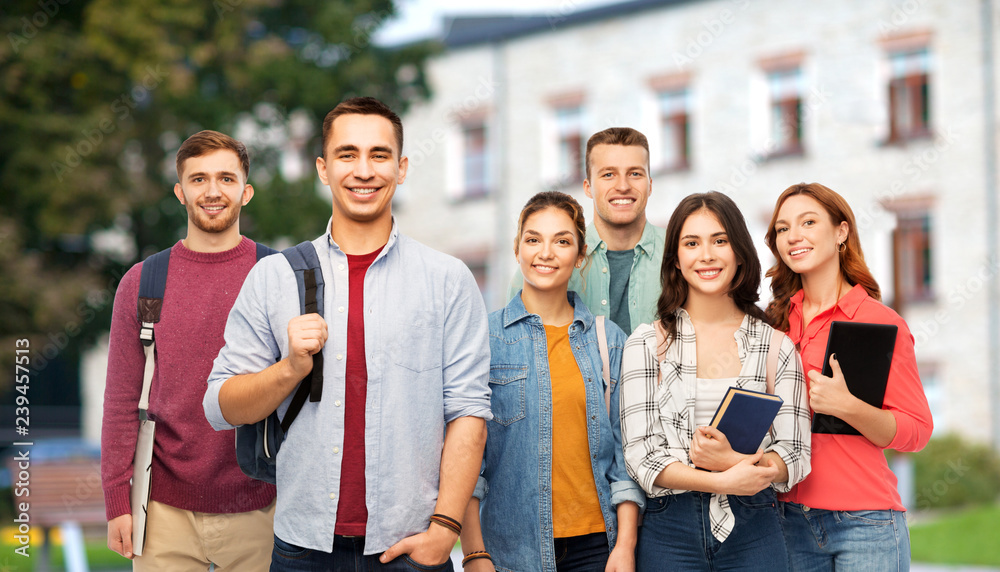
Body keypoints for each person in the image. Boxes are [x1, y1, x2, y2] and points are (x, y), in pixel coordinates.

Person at [203, 96, 491, 571]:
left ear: (401, 169)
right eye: (347, 154)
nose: (364, 170)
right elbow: (221, 407)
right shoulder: (273, 277)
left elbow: (469, 412)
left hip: (411, 546)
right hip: (302, 547)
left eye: (379, 155)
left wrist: (444, 531)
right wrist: (290, 368)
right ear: (322, 168)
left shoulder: (448, 279)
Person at [102, 130, 276, 570]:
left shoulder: (277, 275)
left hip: (264, 505)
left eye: (226, 179)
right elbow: (121, 400)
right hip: (162, 510)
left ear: (246, 191)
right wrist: (117, 498)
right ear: (180, 192)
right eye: (198, 180)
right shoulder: (143, 283)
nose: (213, 191)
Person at [620, 191, 810, 571]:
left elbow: (796, 454)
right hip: (670, 528)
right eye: (692, 243)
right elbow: (640, 455)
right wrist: (725, 481)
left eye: (719, 241)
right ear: (675, 259)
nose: (706, 255)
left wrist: (736, 463)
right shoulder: (646, 344)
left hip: (756, 526)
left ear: (739, 252)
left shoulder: (776, 346)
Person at [461, 191, 644, 572]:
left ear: (579, 257)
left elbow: (626, 457)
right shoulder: (483, 339)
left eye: (562, 241)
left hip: (598, 548)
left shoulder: (608, 341)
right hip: (509, 550)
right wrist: (475, 552)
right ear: (517, 249)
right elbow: (466, 457)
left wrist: (625, 546)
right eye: (533, 239)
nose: (546, 252)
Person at [764, 182, 933, 570]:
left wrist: (849, 407)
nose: (794, 236)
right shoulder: (772, 323)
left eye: (808, 222)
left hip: (864, 522)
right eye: (783, 228)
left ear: (841, 232)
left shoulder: (878, 321)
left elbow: (917, 430)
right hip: (784, 518)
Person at [509, 127, 665, 335]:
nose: (623, 186)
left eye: (635, 173)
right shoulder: (543, 267)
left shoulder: (679, 253)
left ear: (650, 185)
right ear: (588, 187)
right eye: (608, 174)